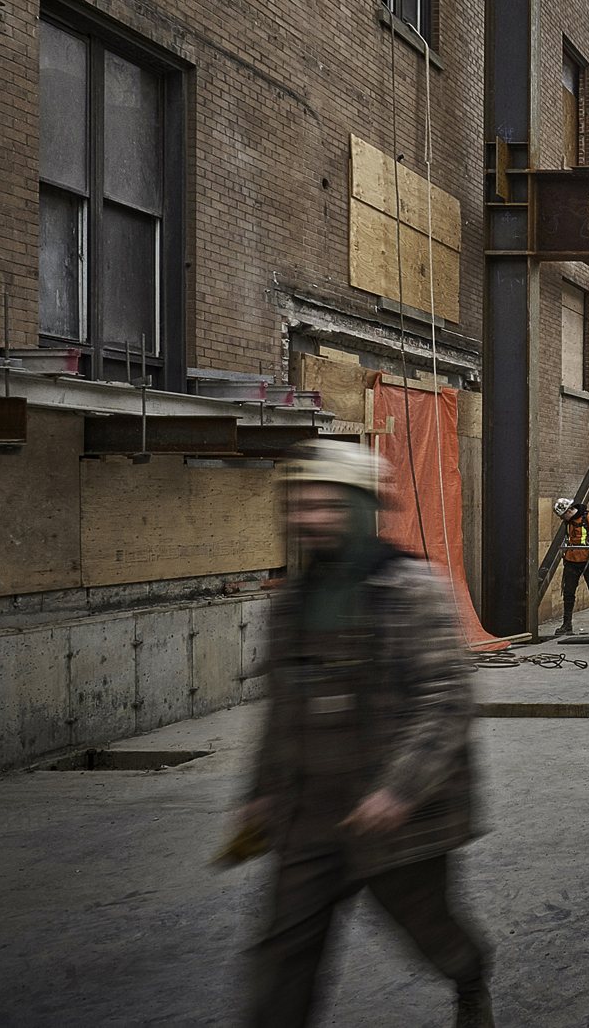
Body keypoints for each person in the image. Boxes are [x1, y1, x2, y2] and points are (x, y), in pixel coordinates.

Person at [235, 441, 490, 1028]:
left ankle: (470, 980)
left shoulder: (411, 589)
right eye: (297, 504)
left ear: (359, 507)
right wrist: (263, 790)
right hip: (309, 816)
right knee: (283, 953)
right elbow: (280, 712)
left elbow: (446, 699)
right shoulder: (293, 604)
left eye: (324, 504)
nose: (308, 517)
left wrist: (399, 790)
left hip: (394, 817)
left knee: (433, 934)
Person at [555, 495, 589, 636]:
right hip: (571, 559)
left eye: (562, 516)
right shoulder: (568, 521)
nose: (562, 519)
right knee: (568, 592)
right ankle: (567, 625)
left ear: (568, 511)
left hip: (588, 560)